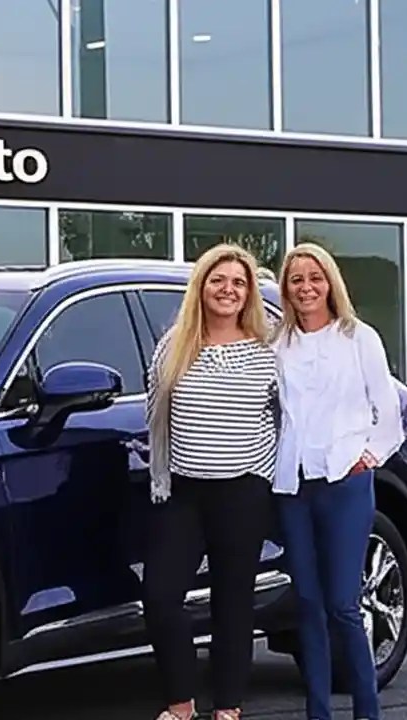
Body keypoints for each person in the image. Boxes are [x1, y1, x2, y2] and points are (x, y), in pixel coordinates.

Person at [142, 243, 280, 720]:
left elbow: (291, 418)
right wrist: (160, 474)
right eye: (218, 281)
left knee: (232, 602)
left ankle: (228, 708)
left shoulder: (270, 349)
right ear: (200, 287)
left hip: (243, 491)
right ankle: (181, 706)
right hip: (183, 491)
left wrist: (267, 472)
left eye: (239, 283)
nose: (228, 290)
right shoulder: (175, 345)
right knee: (160, 596)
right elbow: (156, 415)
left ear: (249, 294)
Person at [269, 242, 404, 720]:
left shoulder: (358, 337)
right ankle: (318, 712)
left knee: (344, 604)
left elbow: (388, 412)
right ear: (286, 289)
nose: (306, 287)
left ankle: (367, 711)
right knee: (306, 602)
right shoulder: (276, 343)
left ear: (330, 283)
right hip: (293, 487)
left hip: (344, 483)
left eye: (315, 278)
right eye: (296, 280)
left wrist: (367, 456)